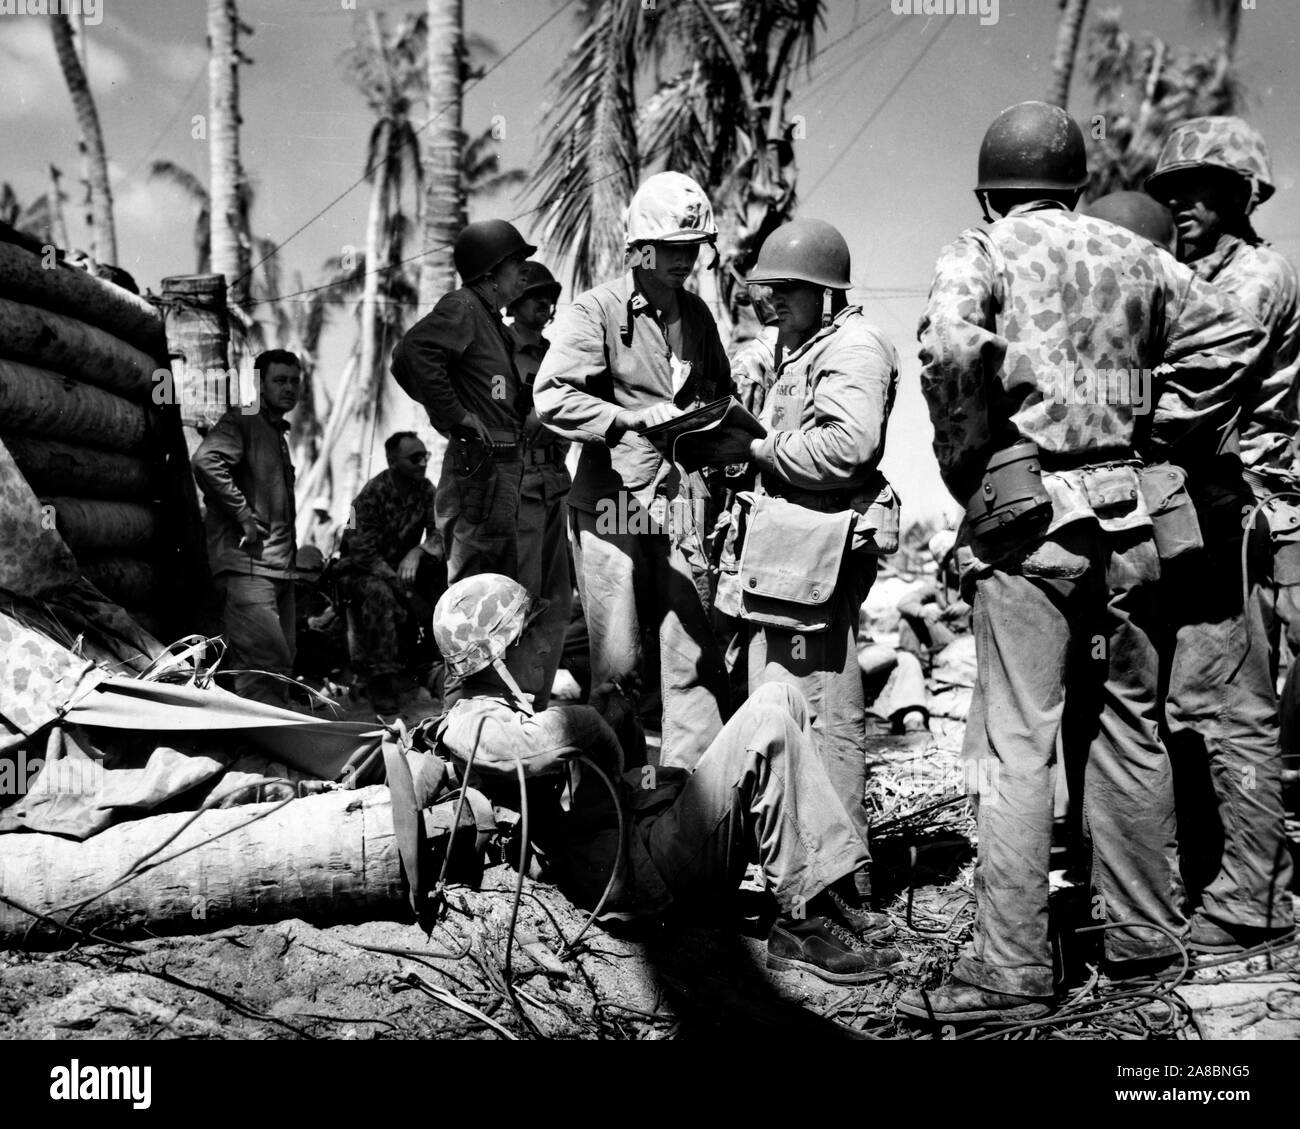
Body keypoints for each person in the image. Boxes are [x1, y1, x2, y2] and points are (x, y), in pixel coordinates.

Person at [899, 102, 1267, 1023]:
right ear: (1073, 186)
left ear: (992, 191)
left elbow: (948, 350)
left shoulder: (979, 250)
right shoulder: (1135, 253)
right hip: (1132, 526)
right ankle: (1147, 941)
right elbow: (1231, 337)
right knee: (1128, 730)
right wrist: (1158, 426)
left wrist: (974, 460)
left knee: (1017, 743)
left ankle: (1013, 972)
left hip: (1031, 529)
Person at [431, 572, 902, 985]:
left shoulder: (511, 709)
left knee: (781, 698)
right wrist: (591, 722)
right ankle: (799, 929)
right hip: (642, 879)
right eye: (527, 634)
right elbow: (524, 749)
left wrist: (614, 724)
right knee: (768, 727)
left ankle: (813, 893)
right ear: (497, 656)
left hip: (647, 844)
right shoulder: (468, 722)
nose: (542, 642)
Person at [1144, 116, 1299, 951]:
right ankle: (1219, 876)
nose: (1183, 203)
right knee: (1182, 706)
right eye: (1173, 191)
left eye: (1202, 189)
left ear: (1242, 195)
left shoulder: (1258, 275)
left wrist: (1099, 413)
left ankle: (1255, 903)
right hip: (1190, 514)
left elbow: (1199, 388)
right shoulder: (1183, 275)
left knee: (1229, 709)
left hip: (1242, 514)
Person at [712, 218, 901, 907]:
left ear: (826, 293)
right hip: (779, 560)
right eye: (769, 290)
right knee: (782, 716)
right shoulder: (790, 349)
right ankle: (800, 870)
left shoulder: (855, 346)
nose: (773, 302)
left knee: (822, 718)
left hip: (817, 561)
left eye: (789, 290)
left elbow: (849, 447)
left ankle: (840, 887)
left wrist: (757, 449)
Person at [533, 172, 734, 769]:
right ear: (641, 249)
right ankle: (614, 804)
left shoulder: (696, 315)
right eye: (673, 248)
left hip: (679, 508)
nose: (686, 260)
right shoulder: (595, 310)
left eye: (693, 248)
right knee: (617, 670)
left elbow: (715, 394)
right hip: (612, 506)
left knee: (692, 656)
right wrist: (630, 420)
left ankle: (692, 798)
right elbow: (552, 397)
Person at [391, 219, 536, 583]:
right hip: (479, 469)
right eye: (516, 263)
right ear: (491, 270)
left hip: (500, 467)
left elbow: (492, 391)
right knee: (474, 588)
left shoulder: (490, 322)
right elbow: (412, 353)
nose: (524, 272)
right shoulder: (464, 306)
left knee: (498, 592)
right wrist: (455, 415)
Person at [192, 349, 302, 708]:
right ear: (259, 384)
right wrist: (242, 514)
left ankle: (270, 751)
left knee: (279, 666)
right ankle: (259, 758)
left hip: (277, 569)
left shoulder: (275, 432)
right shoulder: (244, 419)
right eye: (280, 380)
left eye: (294, 380)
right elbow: (207, 461)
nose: (289, 388)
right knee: (263, 669)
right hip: (249, 568)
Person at [335, 431, 446, 714]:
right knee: (380, 594)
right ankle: (380, 679)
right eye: (415, 457)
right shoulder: (367, 498)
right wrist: (402, 588)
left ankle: (433, 664)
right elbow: (361, 552)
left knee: (441, 576)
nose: (423, 462)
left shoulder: (426, 490)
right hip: (360, 570)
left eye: (426, 456)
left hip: (400, 567)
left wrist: (419, 551)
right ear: (393, 461)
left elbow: (440, 533)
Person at [507, 260, 573, 708]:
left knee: (556, 602)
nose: (544, 305)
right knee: (521, 599)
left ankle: (538, 700)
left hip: (555, 482)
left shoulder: (557, 353)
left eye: (550, 297)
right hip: (520, 484)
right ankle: (510, 700)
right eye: (535, 296)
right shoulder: (501, 349)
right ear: (515, 301)